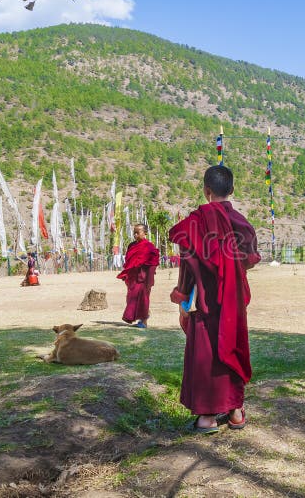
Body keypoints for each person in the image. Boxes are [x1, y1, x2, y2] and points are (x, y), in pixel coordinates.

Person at [169, 165, 261, 434]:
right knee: (231, 348)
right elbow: (251, 259)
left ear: (206, 190)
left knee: (207, 355)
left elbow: (187, 267)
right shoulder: (242, 223)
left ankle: (207, 417)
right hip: (232, 300)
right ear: (231, 190)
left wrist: (183, 301)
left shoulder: (193, 224)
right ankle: (235, 412)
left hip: (204, 301)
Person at [117, 223, 159, 328]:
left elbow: (154, 261)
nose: (135, 235)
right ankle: (137, 316)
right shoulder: (131, 245)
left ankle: (144, 321)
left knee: (143, 299)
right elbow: (129, 260)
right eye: (134, 233)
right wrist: (127, 272)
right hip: (133, 277)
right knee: (131, 298)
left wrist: (148, 275)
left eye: (137, 232)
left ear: (145, 233)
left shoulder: (149, 246)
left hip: (143, 277)